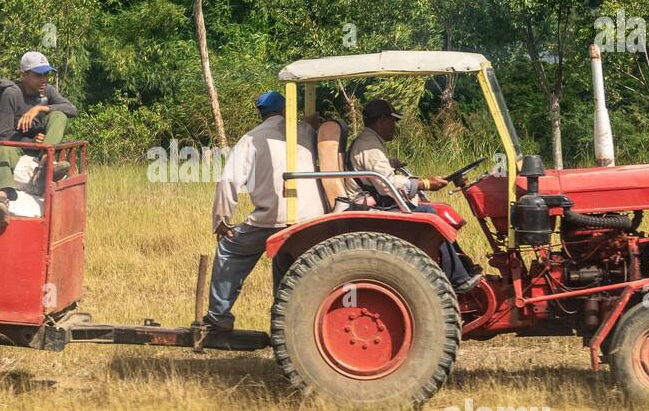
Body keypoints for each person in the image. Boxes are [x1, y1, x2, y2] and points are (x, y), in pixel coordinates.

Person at [203, 90, 325, 332]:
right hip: (313, 217)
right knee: (284, 259)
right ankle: (282, 324)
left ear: (262, 114)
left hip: (273, 218)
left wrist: (222, 220)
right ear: (285, 110)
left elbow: (228, 181)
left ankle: (219, 316)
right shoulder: (306, 132)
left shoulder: (251, 139)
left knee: (230, 250)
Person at [348, 99, 483, 293]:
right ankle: (458, 278)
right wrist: (425, 183)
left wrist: (393, 164)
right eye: (392, 121)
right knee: (429, 215)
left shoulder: (369, 143)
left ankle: (463, 269)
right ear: (381, 121)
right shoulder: (369, 146)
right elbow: (388, 184)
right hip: (375, 205)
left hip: (378, 200)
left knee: (434, 210)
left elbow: (380, 173)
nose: (395, 126)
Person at [0, 50, 77, 225]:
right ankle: (1, 198)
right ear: (24, 75)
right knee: (3, 148)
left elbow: (72, 109)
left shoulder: (47, 91)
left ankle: (46, 161)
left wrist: (40, 109)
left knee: (59, 115)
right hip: (16, 143)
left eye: (46, 75)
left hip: (41, 147)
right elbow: (3, 133)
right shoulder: (11, 94)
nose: (44, 79)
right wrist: (31, 143)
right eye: (38, 75)